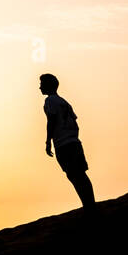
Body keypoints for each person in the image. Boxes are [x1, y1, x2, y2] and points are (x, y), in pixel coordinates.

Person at [39, 73, 95, 209]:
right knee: (80, 174)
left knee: (74, 175)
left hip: (64, 144)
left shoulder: (50, 101)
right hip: (74, 142)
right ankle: (90, 204)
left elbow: (51, 121)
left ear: (48, 85)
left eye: (42, 84)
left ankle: (88, 206)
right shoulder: (64, 102)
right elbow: (74, 120)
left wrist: (48, 142)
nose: (39, 87)